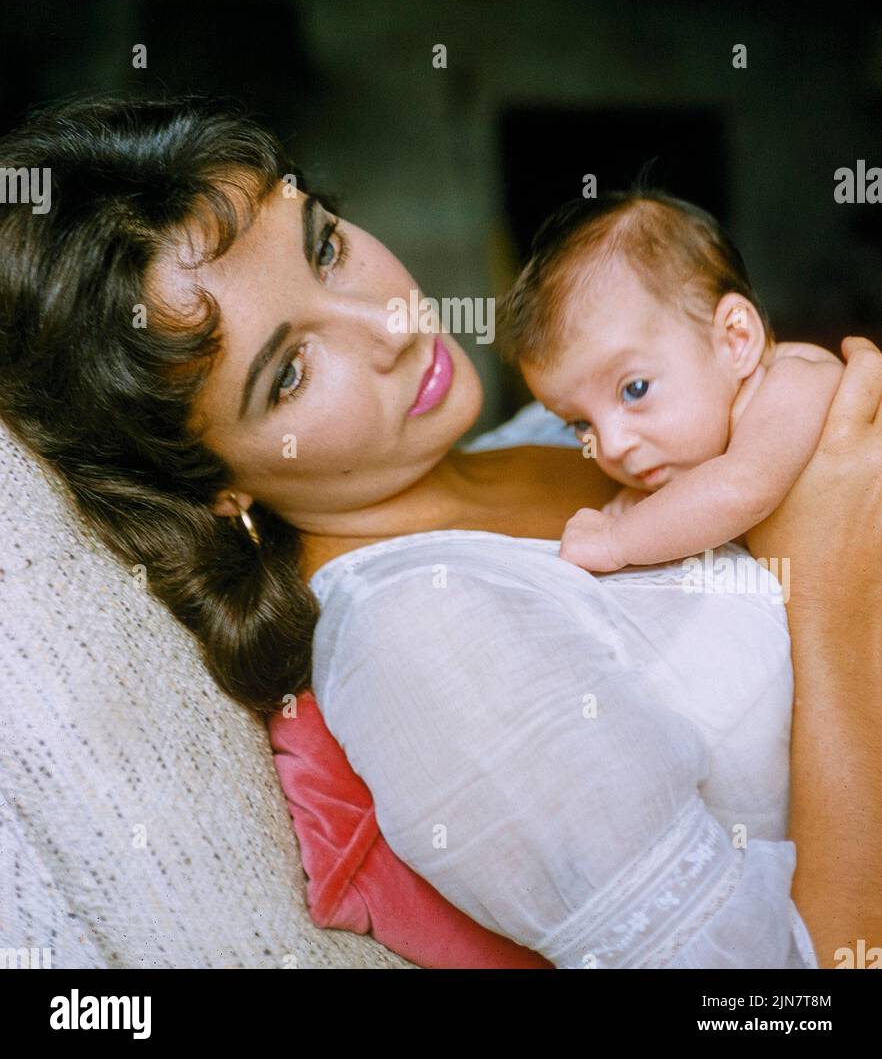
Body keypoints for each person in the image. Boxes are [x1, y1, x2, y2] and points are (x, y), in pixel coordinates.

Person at [0, 94, 879, 968]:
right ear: (213, 485)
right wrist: (839, 604)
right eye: (292, 371)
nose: (388, 322)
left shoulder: (545, 433)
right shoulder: (426, 643)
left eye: (328, 248)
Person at [494, 189, 844, 573]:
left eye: (635, 389)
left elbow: (741, 489)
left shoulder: (796, 382)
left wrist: (617, 539)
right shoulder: (689, 458)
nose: (611, 446)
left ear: (735, 339)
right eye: (581, 423)